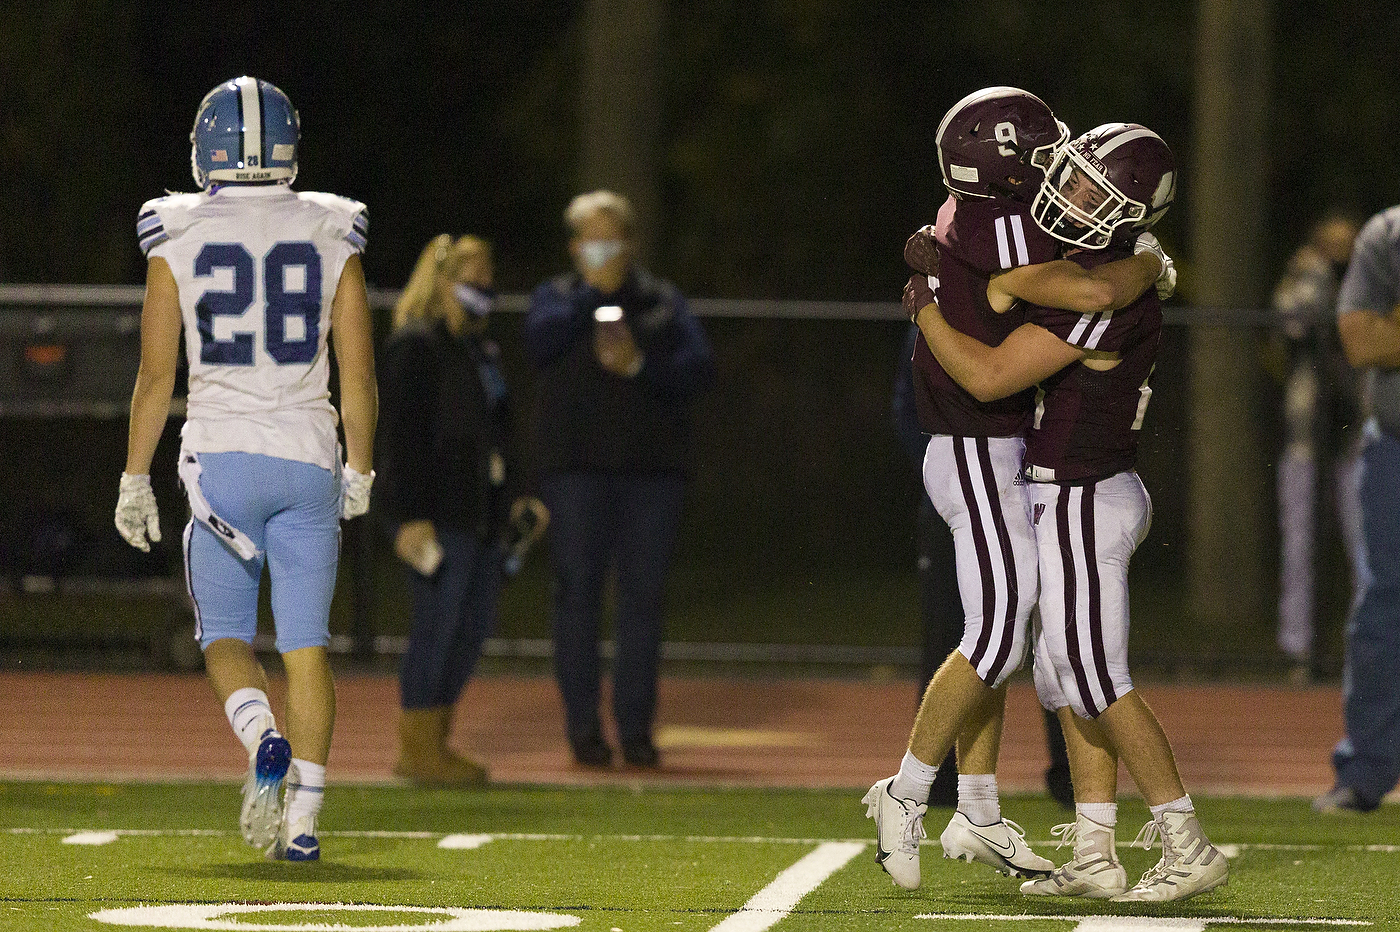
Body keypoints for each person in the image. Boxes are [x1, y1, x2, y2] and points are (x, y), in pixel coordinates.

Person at [864, 87, 1173, 892]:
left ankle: (977, 803)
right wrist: (1152, 260)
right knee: (1000, 628)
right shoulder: (1005, 234)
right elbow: (1092, 294)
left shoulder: (977, 215)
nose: (1062, 181)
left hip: (990, 446)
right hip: (975, 443)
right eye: (1050, 163)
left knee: (1007, 623)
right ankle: (904, 792)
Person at [914, 122, 1229, 902]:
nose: (1072, 194)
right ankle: (1095, 853)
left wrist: (927, 299)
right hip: (1067, 490)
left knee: (1093, 675)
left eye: (1095, 192)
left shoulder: (1108, 291)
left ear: (1129, 215)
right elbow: (1066, 275)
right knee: (1061, 675)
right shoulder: (1099, 265)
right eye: (1074, 176)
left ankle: (1187, 842)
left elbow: (990, 375)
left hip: (1087, 495)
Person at [115, 77, 376, 861]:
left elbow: (156, 378)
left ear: (207, 146)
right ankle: (304, 822)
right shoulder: (334, 228)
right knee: (307, 649)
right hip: (308, 460)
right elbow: (358, 375)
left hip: (222, 461)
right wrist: (360, 467)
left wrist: (133, 476)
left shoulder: (176, 230)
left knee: (225, 637)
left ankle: (262, 736)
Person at [524, 190, 714, 769]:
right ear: (573, 245)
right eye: (588, 237)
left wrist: (640, 365)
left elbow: (699, 369)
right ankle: (583, 730)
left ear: (630, 242)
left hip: (650, 476)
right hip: (576, 474)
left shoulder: (662, 301)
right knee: (576, 599)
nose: (600, 249)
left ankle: (635, 730)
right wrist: (590, 298)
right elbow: (539, 345)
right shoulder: (555, 299)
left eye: (611, 236)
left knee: (642, 604)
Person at [376, 234, 548, 786]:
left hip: (482, 514)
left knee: (469, 629)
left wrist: (520, 493)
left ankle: (437, 741)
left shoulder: (479, 350)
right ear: (442, 279)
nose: (485, 288)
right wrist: (405, 516)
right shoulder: (417, 346)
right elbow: (398, 439)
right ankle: (418, 748)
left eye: (488, 278)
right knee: (436, 626)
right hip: (439, 512)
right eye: (473, 277)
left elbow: (499, 431)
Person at [893, 320, 1073, 811]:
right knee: (978, 638)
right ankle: (920, 786)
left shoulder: (1028, 301)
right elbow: (914, 411)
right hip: (976, 480)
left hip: (1032, 486)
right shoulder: (949, 304)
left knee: (1041, 637)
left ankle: (994, 801)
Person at [1314, 202, 1400, 814]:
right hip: (1395, 448)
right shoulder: (1388, 234)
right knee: (1381, 610)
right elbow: (1362, 339)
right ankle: (1364, 771)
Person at [1269, 215, 1362, 681]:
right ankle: (1299, 652)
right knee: (1299, 547)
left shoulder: (1376, 279)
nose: (1339, 252)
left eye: (1348, 244)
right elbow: (1295, 322)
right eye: (1330, 244)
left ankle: (1371, 651)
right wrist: (1315, 275)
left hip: (1358, 437)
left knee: (1368, 549)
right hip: (1308, 435)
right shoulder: (1306, 275)